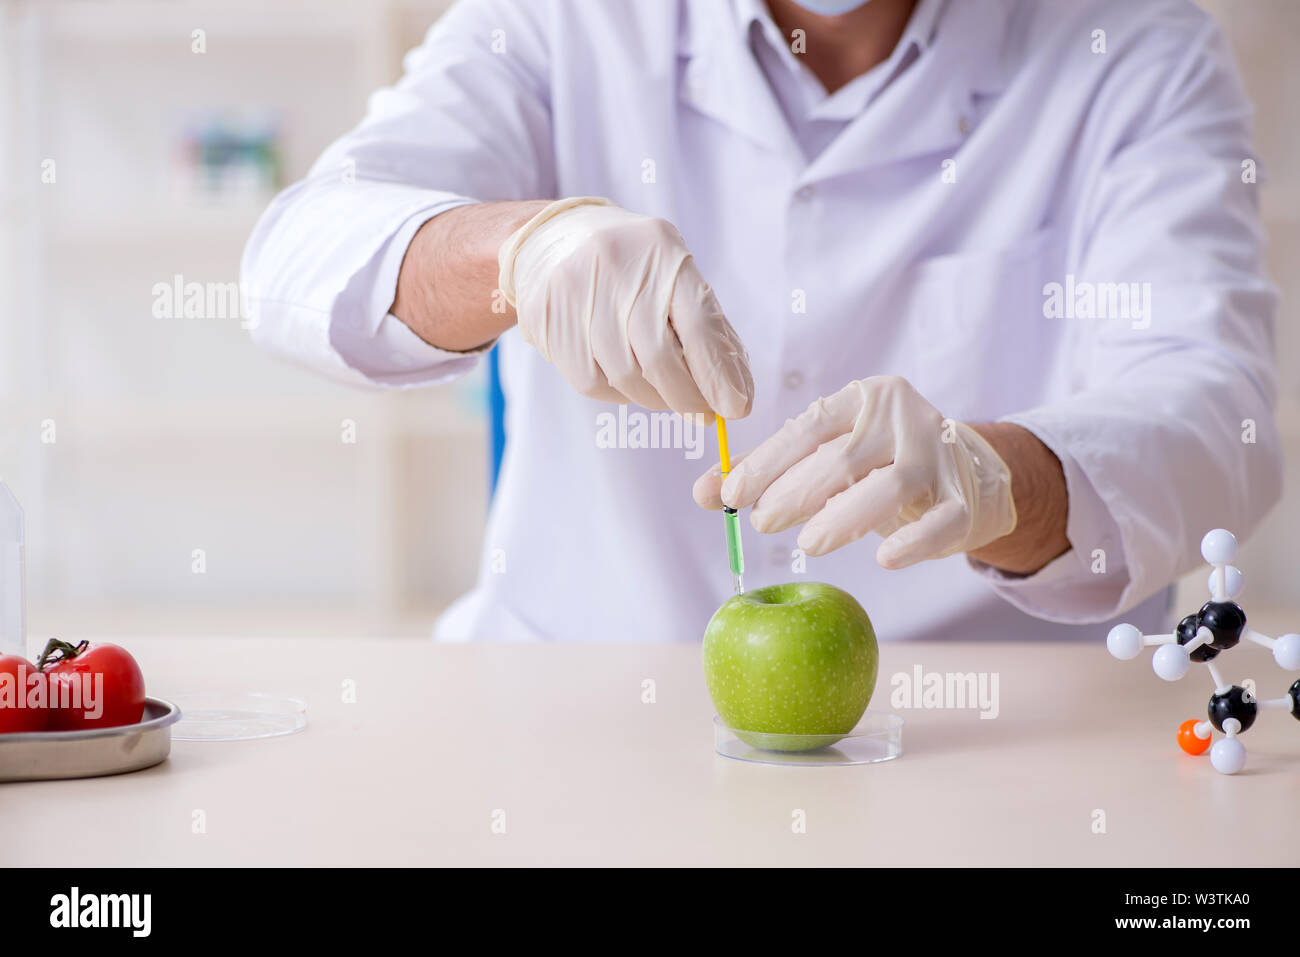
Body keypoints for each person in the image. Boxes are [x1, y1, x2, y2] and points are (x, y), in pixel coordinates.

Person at [241, 0, 1280, 643]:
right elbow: (300, 255)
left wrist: (1003, 477)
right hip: (575, 705)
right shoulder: (561, 20)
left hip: (993, 737)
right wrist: (522, 248)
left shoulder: (1135, 47)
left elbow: (1215, 407)